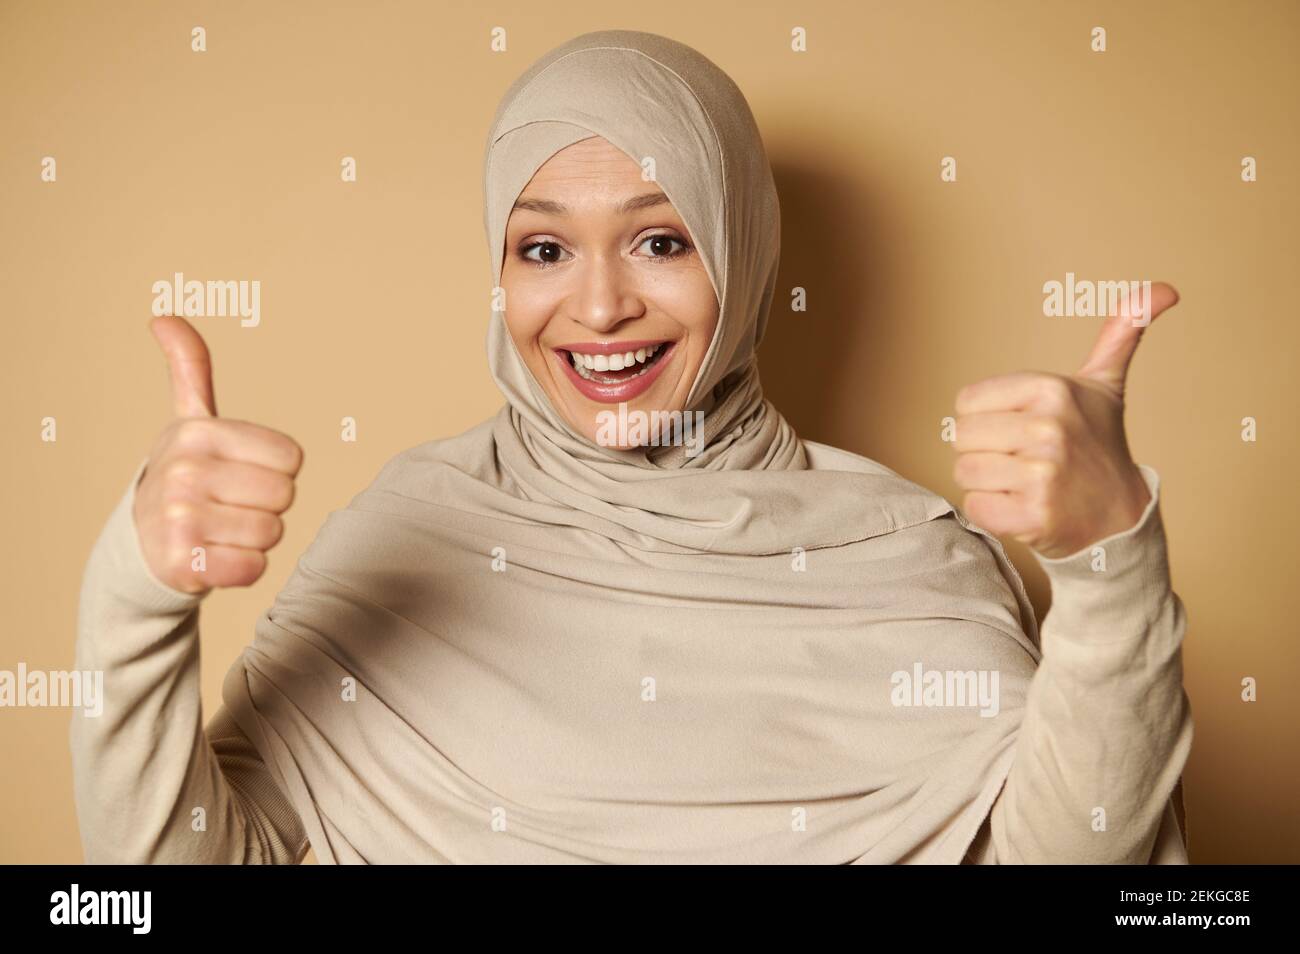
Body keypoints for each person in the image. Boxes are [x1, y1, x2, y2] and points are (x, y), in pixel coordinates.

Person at [70, 29, 1191, 864]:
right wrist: (136, 599)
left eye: (660, 240)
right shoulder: (408, 532)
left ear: (744, 253)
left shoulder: (911, 554)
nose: (598, 307)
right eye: (543, 247)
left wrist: (1109, 564)